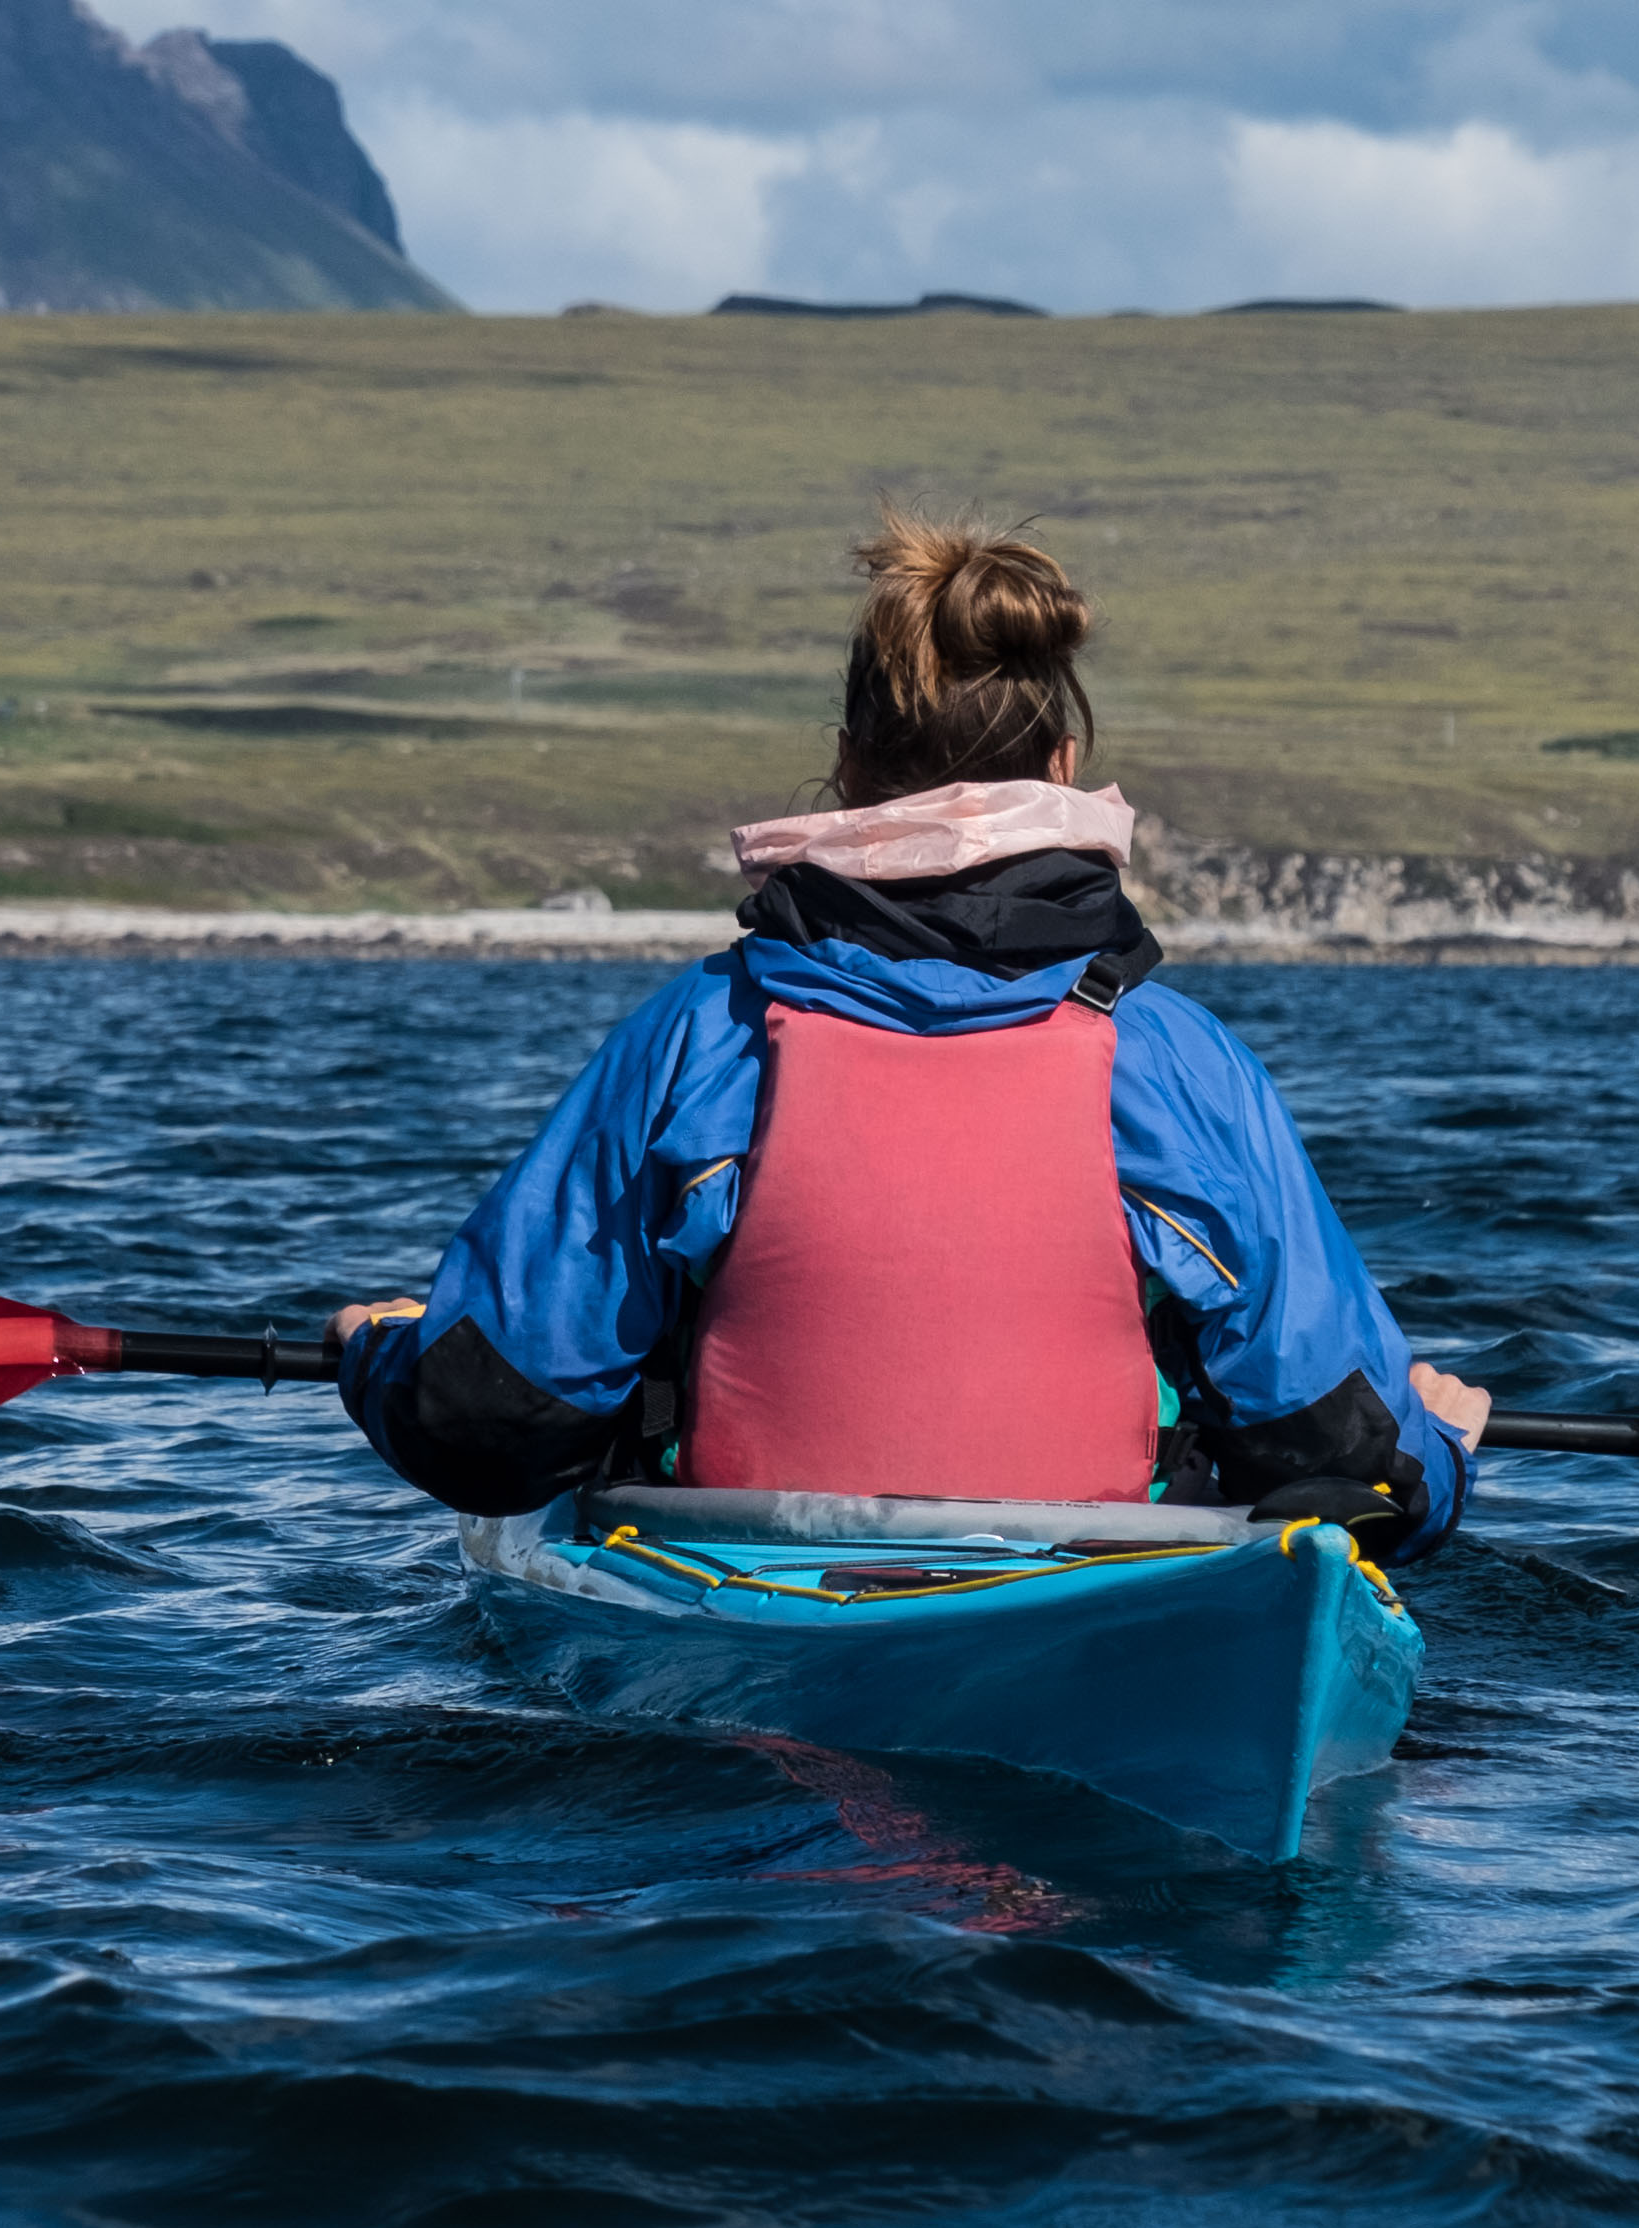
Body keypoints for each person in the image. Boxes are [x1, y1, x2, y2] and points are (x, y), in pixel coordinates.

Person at [326, 513, 1489, 1551]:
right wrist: (1432, 1448)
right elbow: (1343, 1466)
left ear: (847, 766)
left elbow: (488, 1427)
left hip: (738, 1580)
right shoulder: (1177, 1060)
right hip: (1103, 1586)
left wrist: (377, 1356)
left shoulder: (703, 1036)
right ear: (1066, 769)